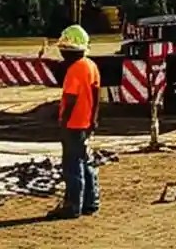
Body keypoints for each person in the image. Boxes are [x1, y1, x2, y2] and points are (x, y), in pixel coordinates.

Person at [48, 24, 101, 219]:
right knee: (86, 162)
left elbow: (70, 98)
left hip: (73, 125)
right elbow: (95, 95)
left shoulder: (75, 69)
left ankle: (72, 206)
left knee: (72, 165)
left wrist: (63, 121)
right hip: (86, 123)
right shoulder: (91, 66)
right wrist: (93, 119)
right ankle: (91, 202)